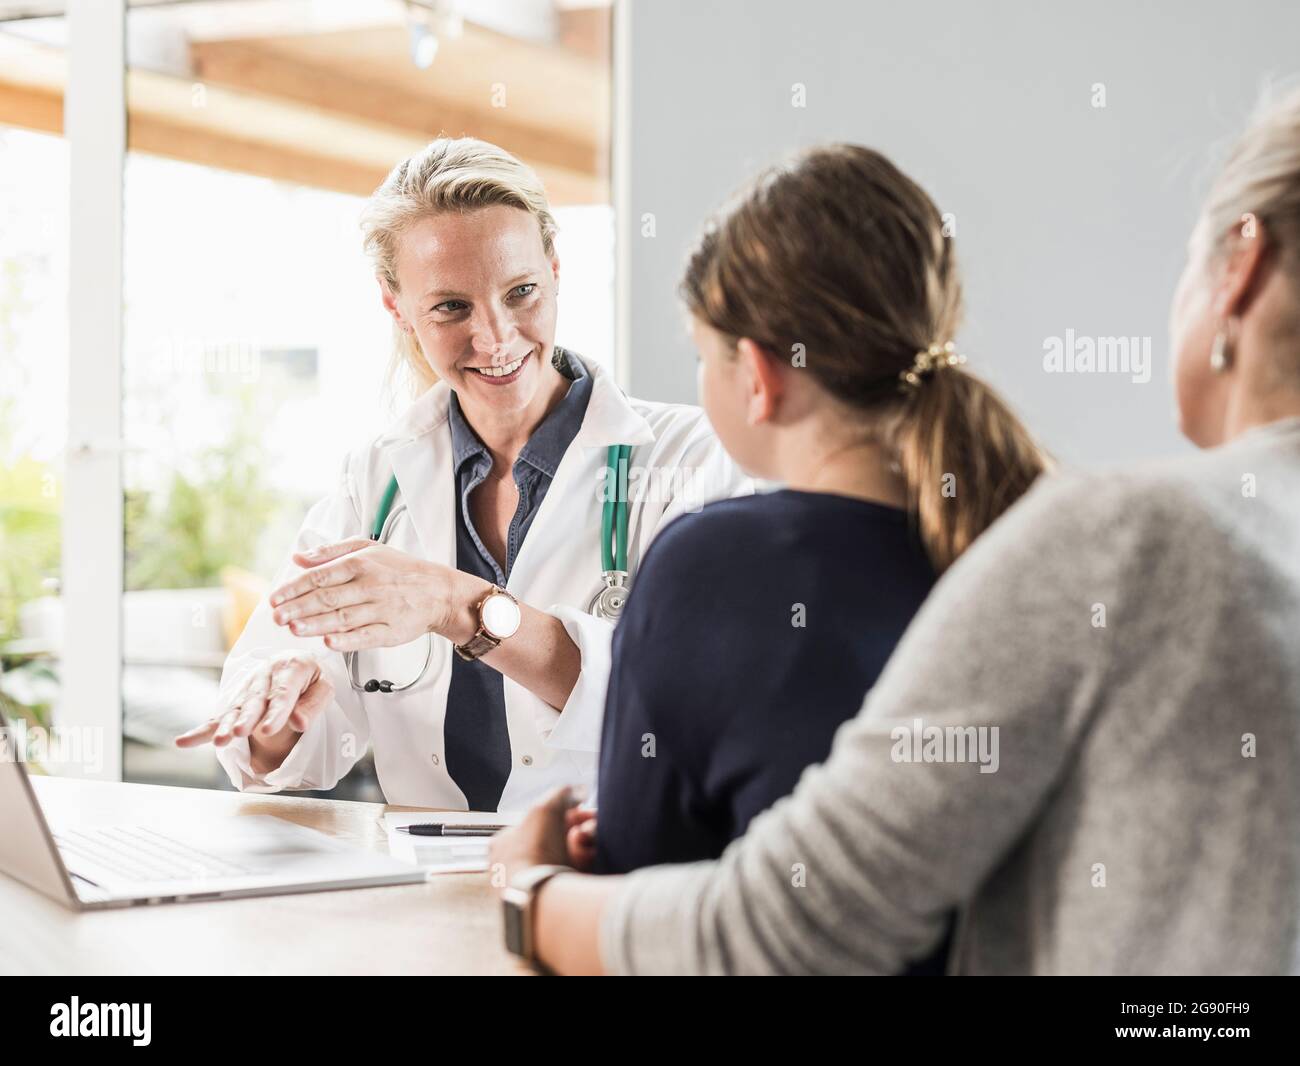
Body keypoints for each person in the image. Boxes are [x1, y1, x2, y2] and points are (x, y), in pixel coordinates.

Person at [491, 84, 1300, 975]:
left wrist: (535, 893)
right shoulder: (1067, 525)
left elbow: (793, 930)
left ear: (1242, 267)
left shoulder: (1122, 540)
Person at [175, 137, 748, 811]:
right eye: (451, 307)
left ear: (556, 268)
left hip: (606, 884)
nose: (496, 337)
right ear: (396, 306)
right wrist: (280, 713)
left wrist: (456, 605)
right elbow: (285, 758)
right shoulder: (376, 478)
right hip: (424, 885)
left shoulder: (689, 461)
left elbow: (688, 705)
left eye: (522, 291)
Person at [588, 145, 1046, 919]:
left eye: (704, 354)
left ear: (759, 378)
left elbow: (633, 900)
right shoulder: (1038, 539)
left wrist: (538, 879)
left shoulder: (707, 567)